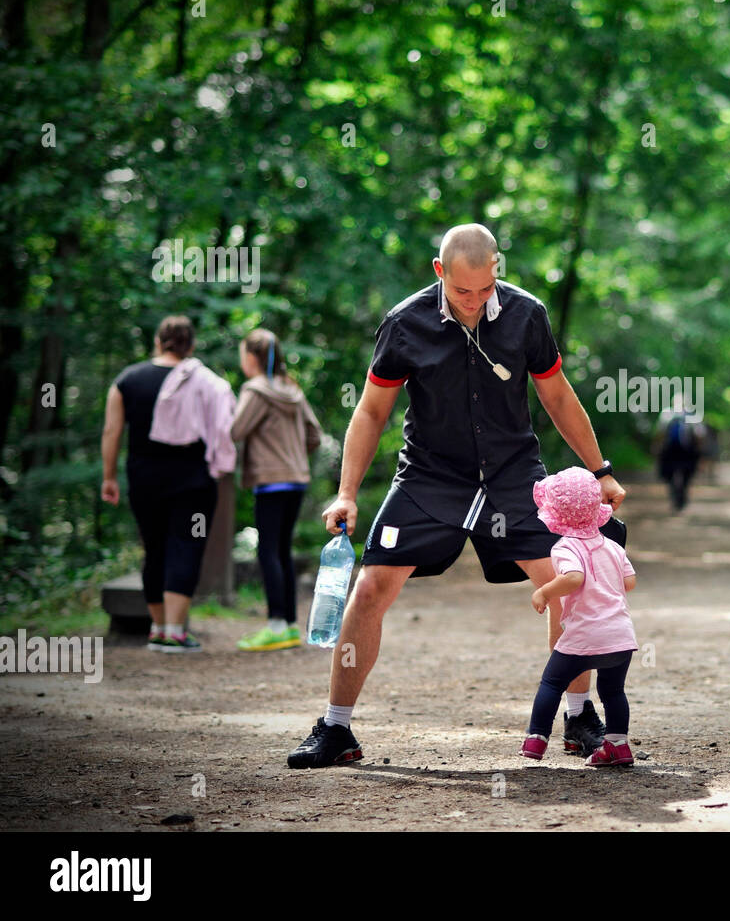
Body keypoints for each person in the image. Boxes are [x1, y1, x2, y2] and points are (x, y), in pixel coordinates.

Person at [287, 223, 626, 769]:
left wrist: (600, 469)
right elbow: (372, 411)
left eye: (484, 289)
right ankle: (336, 728)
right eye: (461, 291)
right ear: (440, 272)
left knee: (568, 578)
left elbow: (558, 396)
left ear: (497, 269)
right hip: (429, 476)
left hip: (514, 475)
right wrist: (346, 492)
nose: (473, 303)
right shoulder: (404, 324)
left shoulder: (526, 315)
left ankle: (579, 715)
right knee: (371, 587)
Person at [100, 315, 235, 652]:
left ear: (158, 342)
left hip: (142, 477)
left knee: (154, 549)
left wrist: (109, 477)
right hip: (194, 480)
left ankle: (157, 628)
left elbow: (111, 432)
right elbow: (223, 428)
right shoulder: (205, 380)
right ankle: (174, 632)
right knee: (187, 546)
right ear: (190, 346)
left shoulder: (126, 380)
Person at [520, 467, 638, 766]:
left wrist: (544, 592)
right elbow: (629, 582)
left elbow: (574, 577)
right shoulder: (612, 546)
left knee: (551, 683)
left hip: (584, 635)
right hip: (620, 636)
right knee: (613, 691)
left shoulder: (565, 547)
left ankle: (537, 738)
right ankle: (618, 746)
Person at [230, 328, 323, 652]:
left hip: (270, 481)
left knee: (268, 550)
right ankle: (290, 626)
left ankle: (275, 625)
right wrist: (293, 455)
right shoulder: (292, 390)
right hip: (296, 479)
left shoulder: (255, 390)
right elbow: (315, 434)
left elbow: (236, 429)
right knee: (281, 549)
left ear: (252, 357)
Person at [655, 397, 704, 512]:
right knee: (686, 474)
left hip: (670, 450)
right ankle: (681, 496)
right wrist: (700, 451)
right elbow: (700, 435)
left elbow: (660, 432)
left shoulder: (666, 414)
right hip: (687, 451)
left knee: (671, 474)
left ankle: (676, 496)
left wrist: (658, 447)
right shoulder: (692, 415)